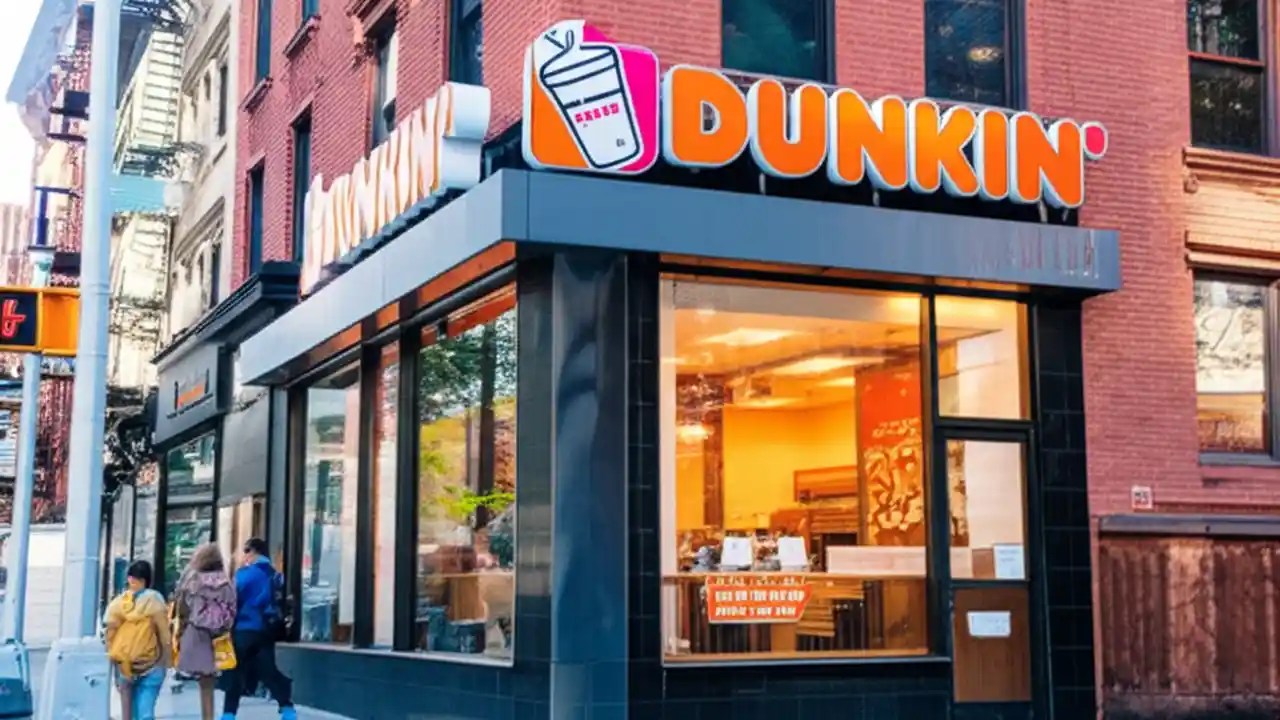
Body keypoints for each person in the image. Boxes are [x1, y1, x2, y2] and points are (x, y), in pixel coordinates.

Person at [223, 537, 295, 719]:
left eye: (246, 551)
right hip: (267, 630)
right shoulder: (275, 575)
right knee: (268, 670)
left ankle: (228, 714)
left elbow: (232, 599)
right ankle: (287, 708)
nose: (245, 556)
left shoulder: (244, 574)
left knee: (236, 673)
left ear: (254, 552)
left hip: (244, 629)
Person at [173, 544, 237, 720]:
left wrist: (181, 632)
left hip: (197, 634)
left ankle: (206, 716)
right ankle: (209, 716)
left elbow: (183, 609)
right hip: (219, 636)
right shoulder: (227, 583)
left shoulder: (193, 582)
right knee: (210, 681)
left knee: (203, 680)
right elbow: (232, 609)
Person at [104, 560, 170, 720]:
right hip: (152, 663)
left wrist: (114, 661)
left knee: (127, 714)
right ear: (147, 579)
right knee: (145, 713)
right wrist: (164, 662)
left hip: (125, 664)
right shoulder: (155, 600)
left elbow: (109, 634)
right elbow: (164, 635)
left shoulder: (118, 604)